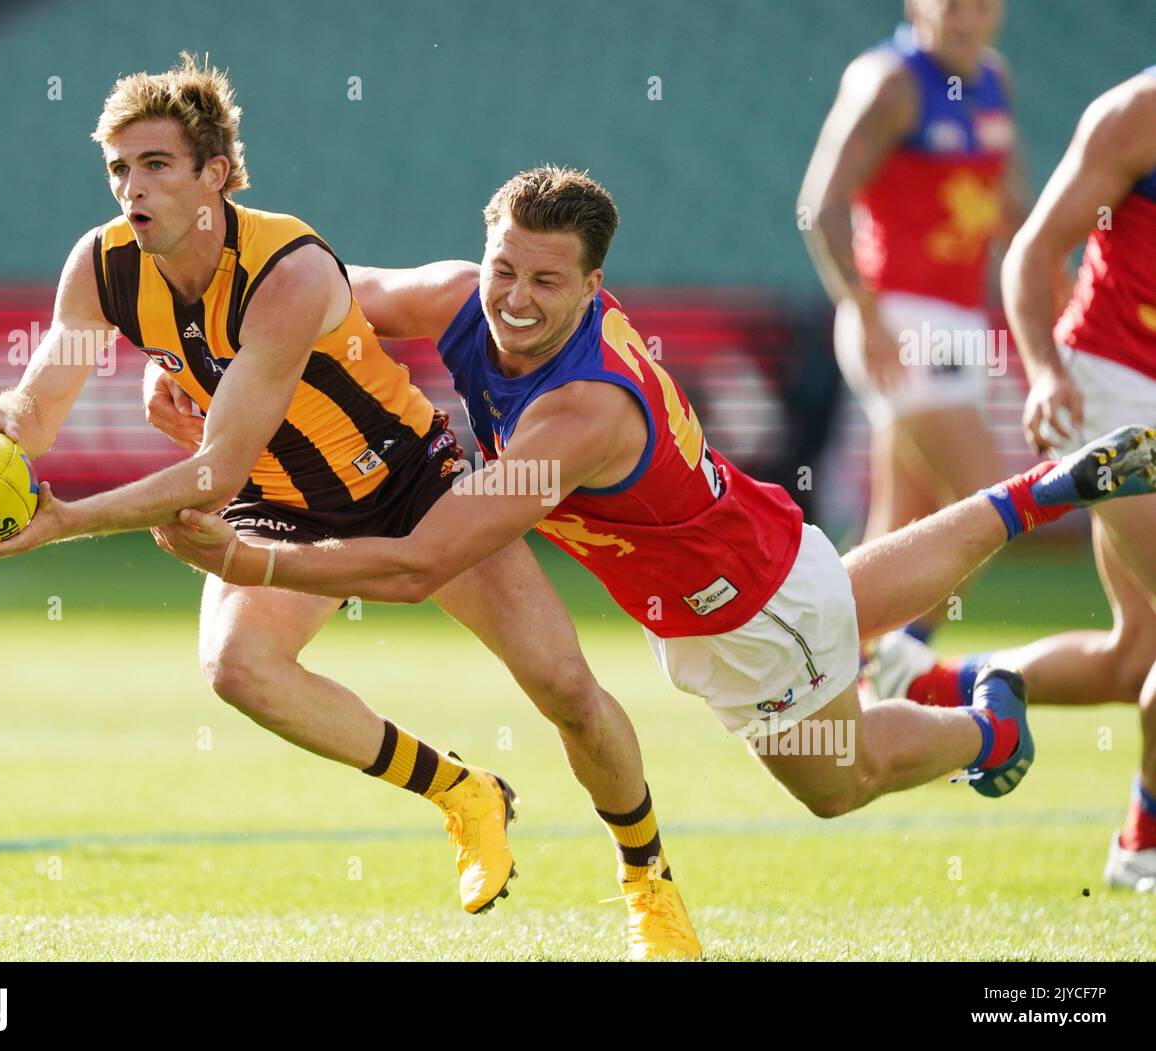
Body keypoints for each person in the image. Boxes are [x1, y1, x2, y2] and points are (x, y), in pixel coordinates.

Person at [0, 56, 699, 959]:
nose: (132, 187)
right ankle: (459, 790)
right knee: (237, 666)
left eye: (157, 165)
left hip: (410, 481)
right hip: (282, 502)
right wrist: (6, 420)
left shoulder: (286, 271)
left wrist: (61, 520)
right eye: (118, 168)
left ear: (216, 174)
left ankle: (647, 878)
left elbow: (212, 471)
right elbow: (46, 392)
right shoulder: (100, 266)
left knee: (565, 687)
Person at [149, 166, 1156, 861]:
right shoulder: (462, 296)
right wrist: (206, 353)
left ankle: (987, 726)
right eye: (504, 269)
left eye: (548, 282)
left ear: (594, 287)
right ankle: (1038, 499)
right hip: (738, 551)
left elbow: (416, 564)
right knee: (843, 602)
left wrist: (256, 562)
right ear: (482, 255)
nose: (515, 299)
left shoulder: (577, 416)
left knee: (840, 780)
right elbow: (325, 295)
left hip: (741, 604)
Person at [864, 68, 1156, 892]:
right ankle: (1143, 849)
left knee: (1136, 660)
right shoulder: (1137, 113)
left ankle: (963, 681)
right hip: (1109, 389)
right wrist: (1043, 374)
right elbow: (1031, 254)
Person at [798, 0, 1023, 641]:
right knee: (987, 498)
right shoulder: (891, 80)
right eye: (951, 4)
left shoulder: (992, 78)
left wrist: (1045, 267)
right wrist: (865, 312)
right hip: (900, 320)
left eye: (980, 4)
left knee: (900, 525)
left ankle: (832, 656)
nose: (965, 16)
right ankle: (899, 656)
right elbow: (822, 203)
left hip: (960, 321)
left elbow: (1005, 194)